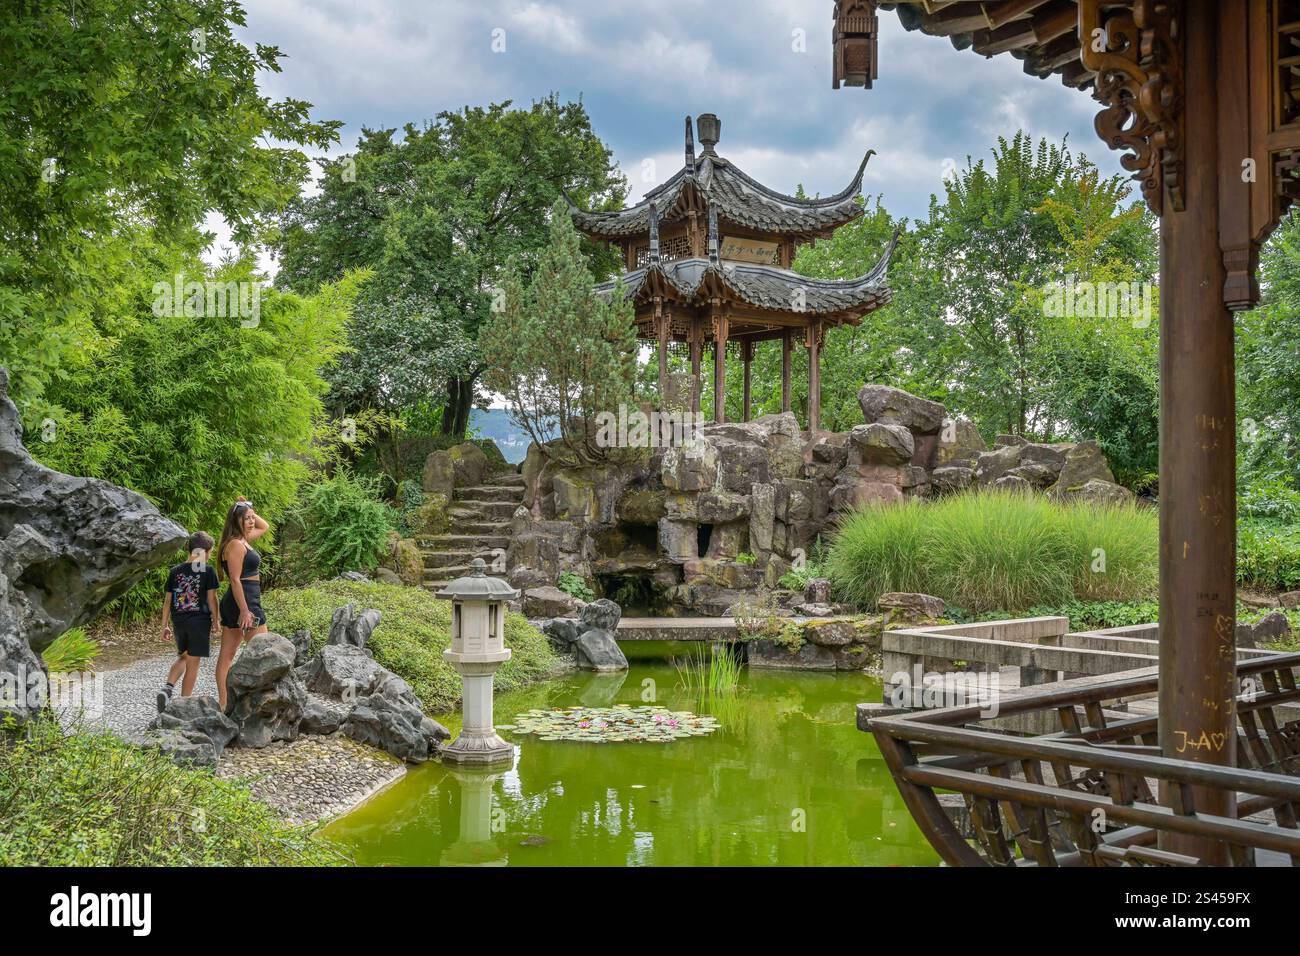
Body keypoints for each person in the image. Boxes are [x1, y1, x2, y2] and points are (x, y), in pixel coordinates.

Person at [214, 497, 270, 709]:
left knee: (228, 655)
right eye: (246, 519)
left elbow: (265, 526)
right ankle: (229, 702)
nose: (252, 522)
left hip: (244, 599)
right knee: (264, 652)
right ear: (236, 520)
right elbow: (235, 580)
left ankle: (226, 703)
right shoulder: (236, 545)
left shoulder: (243, 539)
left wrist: (247, 508)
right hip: (244, 601)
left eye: (251, 518)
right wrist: (245, 611)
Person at [157, 532, 220, 712]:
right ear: (204, 551)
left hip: (179, 620)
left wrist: (165, 625)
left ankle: (167, 688)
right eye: (210, 552)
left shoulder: (175, 571)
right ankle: (185, 704)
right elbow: (211, 599)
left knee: (184, 656)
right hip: (199, 621)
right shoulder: (207, 571)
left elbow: (168, 601)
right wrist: (216, 620)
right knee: (193, 663)